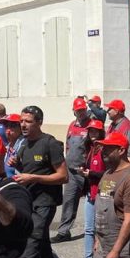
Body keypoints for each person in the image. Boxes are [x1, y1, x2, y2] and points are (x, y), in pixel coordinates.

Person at [14, 106, 70, 258]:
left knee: (27, 254)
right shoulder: (24, 144)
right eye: (21, 121)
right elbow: (27, 168)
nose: (23, 125)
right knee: (42, 254)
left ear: (38, 122)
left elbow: (63, 176)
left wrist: (33, 178)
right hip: (29, 204)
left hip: (45, 204)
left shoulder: (50, 143)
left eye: (28, 121)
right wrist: (16, 165)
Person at [53, 98, 93, 243]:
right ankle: (64, 232)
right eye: (78, 110)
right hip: (71, 170)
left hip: (87, 171)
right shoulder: (72, 125)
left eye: (83, 110)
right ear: (74, 111)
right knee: (68, 201)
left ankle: (95, 231)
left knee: (93, 201)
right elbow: (68, 146)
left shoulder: (92, 125)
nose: (81, 112)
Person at [73, 120, 107, 258]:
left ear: (101, 132)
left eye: (95, 131)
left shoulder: (105, 149)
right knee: (89, 228)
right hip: (90, 192)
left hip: (102, 193)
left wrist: (91, 173)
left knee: (103, 228)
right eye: (90, 131)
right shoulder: (89, 148)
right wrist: (84, 171)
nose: (92, 133)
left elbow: (108, 173)